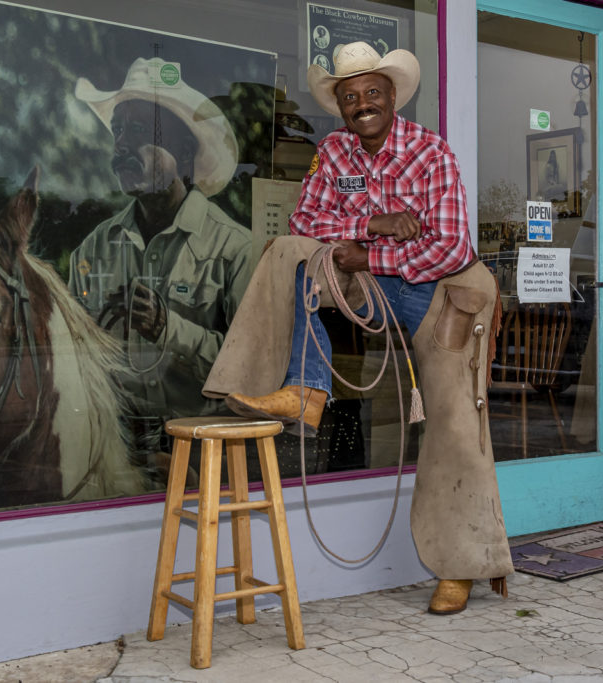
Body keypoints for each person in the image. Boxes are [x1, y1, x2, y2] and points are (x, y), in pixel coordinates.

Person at [202, 42, 513, 614]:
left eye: (373, 92)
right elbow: (304, 221)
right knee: (292, 250)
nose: (362, 104)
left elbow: (448, 248)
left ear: (393, 96)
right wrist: (377, 223)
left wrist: (369, 256)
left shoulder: (431, 152)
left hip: (444, 293)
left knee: (455, 426)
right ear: (340, 106)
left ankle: (459, 566)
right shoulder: (333, 153)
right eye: (350, 97)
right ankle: (305, 387)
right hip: (368, 273)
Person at [69, 57, 252, 453]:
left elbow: (252, 374)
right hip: (110, 458)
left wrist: (170, 330)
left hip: (207, 459)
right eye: (118, 131)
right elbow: (72, 365)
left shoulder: (235, 249)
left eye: (138, 130)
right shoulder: (93, 250)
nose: (120, 145)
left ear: (185, 152)